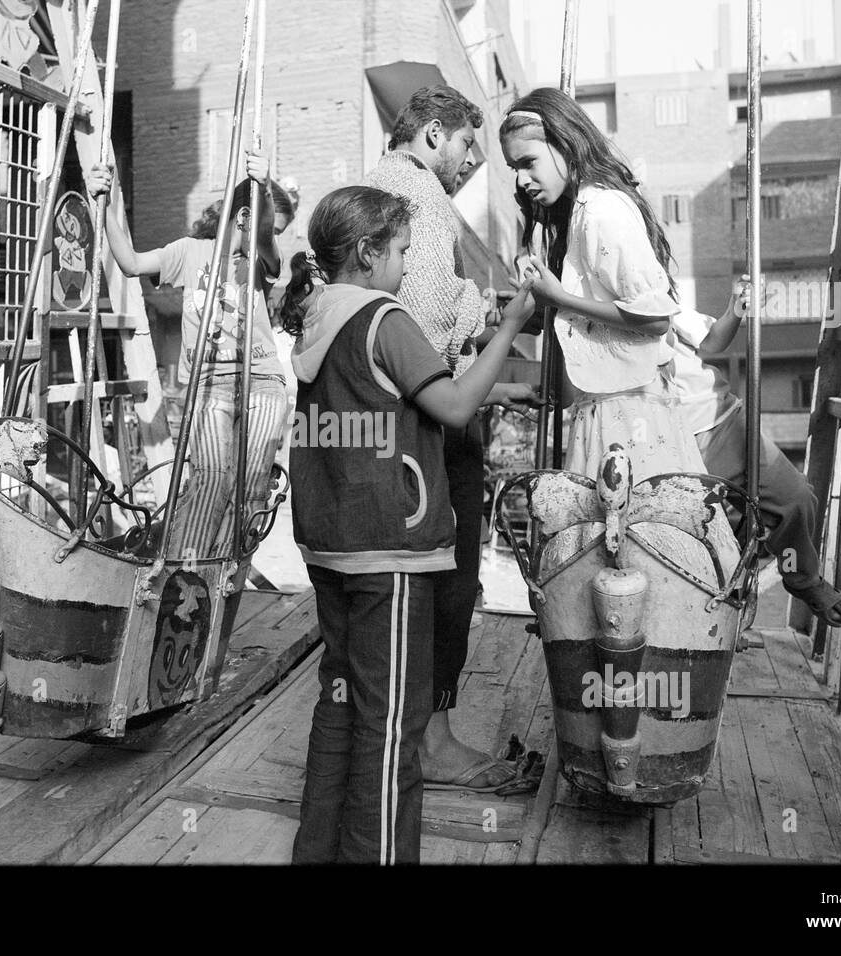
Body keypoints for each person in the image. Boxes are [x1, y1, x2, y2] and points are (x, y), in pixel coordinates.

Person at [281, 185, 536, 864]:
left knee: (341, 705)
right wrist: (509, 327)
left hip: (332, 545)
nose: (402, 265)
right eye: (398, 251)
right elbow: (452, 407)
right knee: (394, 725)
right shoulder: (382, 318)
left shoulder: (318, 315)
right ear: (367, 253)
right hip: (390, 551)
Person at [366, 85, 537, 792]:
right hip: (429, 429)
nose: (473, 161)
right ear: (433, 134)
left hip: (387, 426)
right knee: (449, 580)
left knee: (413, 583)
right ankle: (432, 740)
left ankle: (410, 731)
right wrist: (492, 312)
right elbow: (431, 318)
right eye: (469, 144)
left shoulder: (375, 182)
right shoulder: (421, 199)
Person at [498, 87, 740, 570]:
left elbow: (653, 318)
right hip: (611, 410)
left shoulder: (603, 211)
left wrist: (558, 297)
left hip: (632, 415)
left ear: (564, 143)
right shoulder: (582, 212)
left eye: (528, 162)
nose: (522, 180)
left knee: (639, 557)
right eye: (514, 170)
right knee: (617, 559)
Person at [86, 151, 296, 558]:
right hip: (209, 382)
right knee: (212, 478)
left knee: (251, 485)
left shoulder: (258, 261)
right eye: (268, 224)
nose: (273, 234)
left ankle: (225, 570)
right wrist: (106, 204)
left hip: (262, 380)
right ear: (242, 219)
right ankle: (185, 572)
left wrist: (265, 189)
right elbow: (129, 263)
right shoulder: (189, 252)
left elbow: (267, 237)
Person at [671, 285, 841, 625]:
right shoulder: (592, 309)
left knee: (797, 499)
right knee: (691, 541)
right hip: (666, 440)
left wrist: (734, 310)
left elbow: (710, 342)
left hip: (723, 421)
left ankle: (800, 578)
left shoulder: (652, 288)